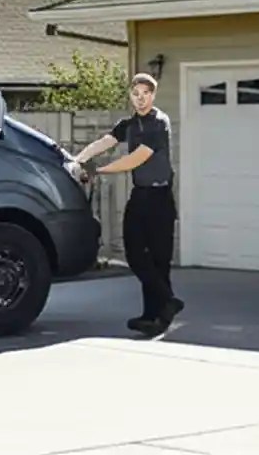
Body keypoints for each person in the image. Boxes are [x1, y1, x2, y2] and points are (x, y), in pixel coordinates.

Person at [70, 72, 184, 336]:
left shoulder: (159, 123)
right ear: (131, 96)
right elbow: (106, 142)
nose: (140, 99)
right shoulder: (129, 124)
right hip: (140, 195)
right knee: (134, 253)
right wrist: (77, 159)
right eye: (136, 94)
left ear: (153, 96)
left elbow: (137, 159)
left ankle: (154, 318)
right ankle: (167, 302)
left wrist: (98, 170)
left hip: (160, 198)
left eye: (146, 94)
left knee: (158, 260)